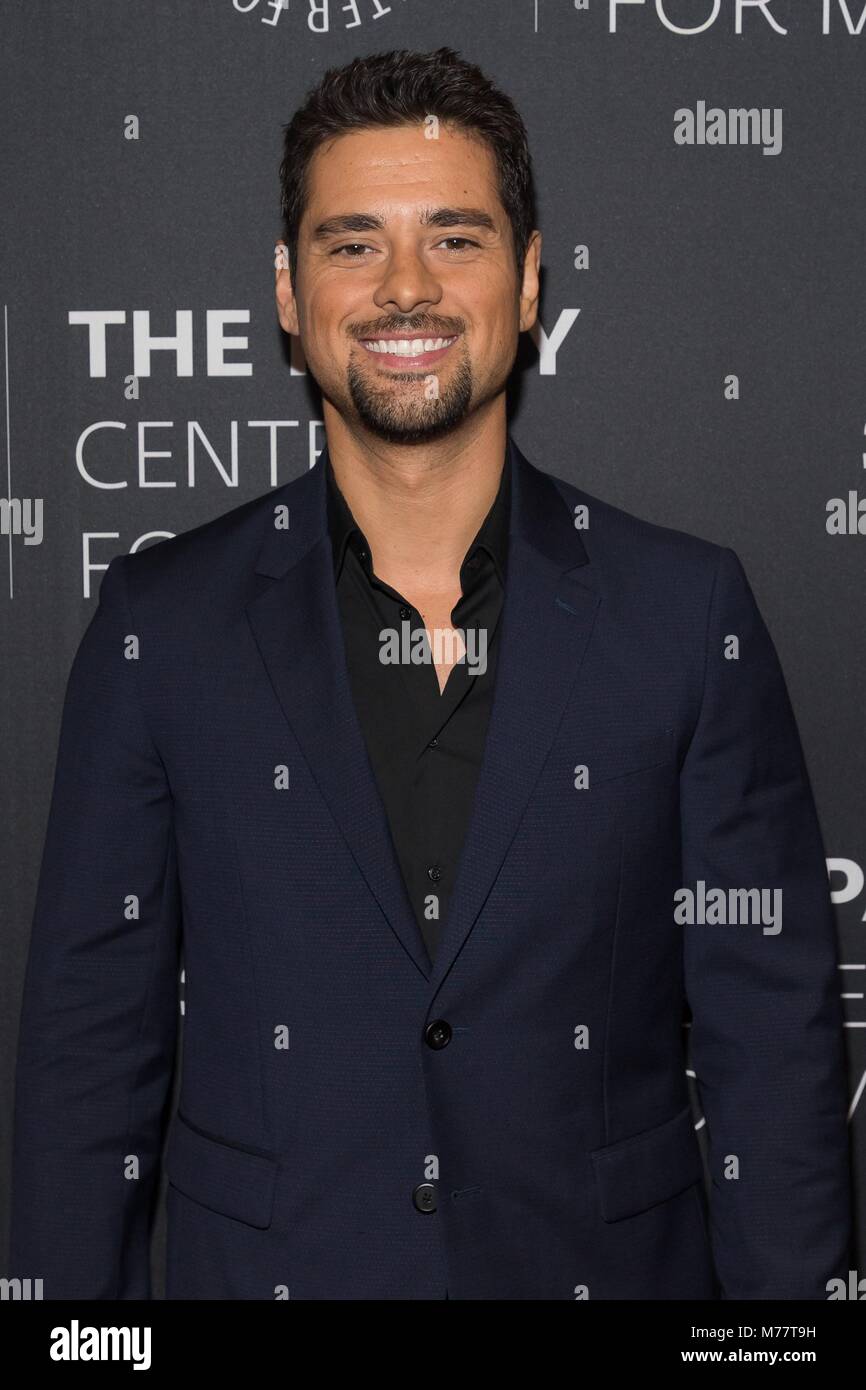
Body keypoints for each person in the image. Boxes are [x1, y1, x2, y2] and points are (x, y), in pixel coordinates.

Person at [9, 46, 851, 1300]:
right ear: (290, 295)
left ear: (525, 282)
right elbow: (90, 1057)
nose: (405, 287)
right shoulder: (160, 629)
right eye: (354, 244)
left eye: (454, 239)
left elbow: (770, 1054)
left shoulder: (685, 614)